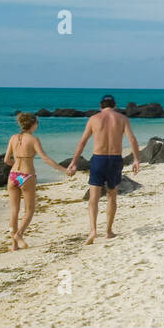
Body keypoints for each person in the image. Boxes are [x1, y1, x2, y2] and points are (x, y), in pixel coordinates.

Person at [66, 95, 140, 244]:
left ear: (101, 106)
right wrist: (136, 159)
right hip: (114, 159)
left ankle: (93, 231)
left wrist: (74, 162)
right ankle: (108, 231)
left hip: (98, 159)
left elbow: (83, 141)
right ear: (114, 105)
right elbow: (131, 139)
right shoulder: (121, 118)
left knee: (94, 197)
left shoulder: (93, 119)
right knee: (112, 196)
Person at [2, 113, 70, 251]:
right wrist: (64, 170)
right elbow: (45, 159)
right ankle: (19, 235)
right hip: (26, 176)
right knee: (30, 210)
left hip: (13, 175)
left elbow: (6, 160)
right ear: (33, 124)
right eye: (36, 123)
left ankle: (14, 245)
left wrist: (16, 164)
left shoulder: (13, 138)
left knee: (14, 210)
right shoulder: (33, 140)